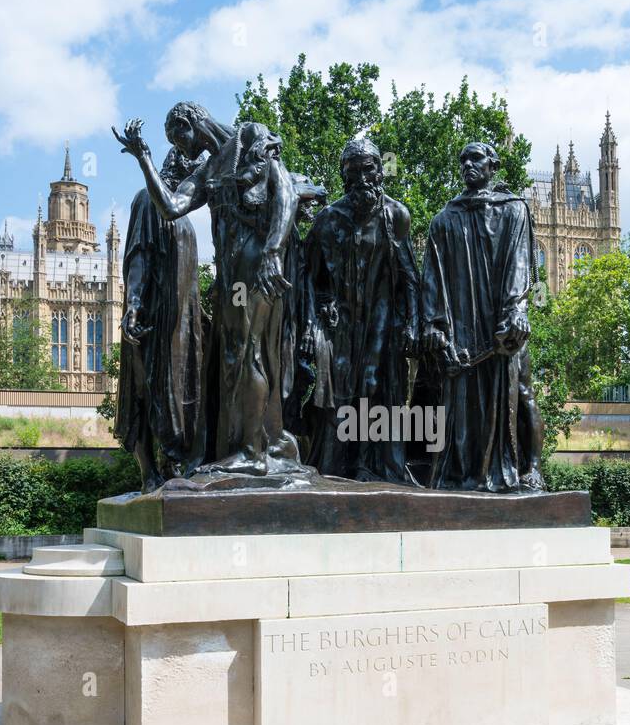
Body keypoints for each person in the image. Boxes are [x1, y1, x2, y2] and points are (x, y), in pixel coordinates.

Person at [114, 105, 309, 476]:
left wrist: (273, 251)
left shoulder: (251, 135)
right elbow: (171, 207)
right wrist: (144, 158)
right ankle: (271, 442)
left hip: (258, 265)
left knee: (247, 353)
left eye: (178, 137)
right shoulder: (208, 169)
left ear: (191, 124)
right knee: (245, 355)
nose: (179, 148)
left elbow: (285, 193)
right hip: (232, 276)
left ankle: (252, 454)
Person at [419, 141, 545, 492]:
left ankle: (531, 467)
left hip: (504, 325)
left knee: (521, 392)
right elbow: (432, 277)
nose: (467, 165)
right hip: (463, 331)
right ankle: (467, 472)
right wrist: (433, 324)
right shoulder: (444, 220)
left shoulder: (514, 210)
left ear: (493, 165)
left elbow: (520, 264)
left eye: (475, 158)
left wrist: (517, 309)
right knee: (463, 403)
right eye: (462, 160)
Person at [302, 137, 420, 483]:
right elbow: (307, 276)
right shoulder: (328, 220)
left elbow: (409, 276)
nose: (362, 180)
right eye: (353, 173)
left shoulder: (395, 216)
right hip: (339, 325)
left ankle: (374, 470)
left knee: (377, 389)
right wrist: (314, 315)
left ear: (380, 172)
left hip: (381, 325)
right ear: (343, 177)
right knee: (338, 398)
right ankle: (334, 472)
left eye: (368, 170)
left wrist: (413, 323)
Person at [115, 113, 208, 493]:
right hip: (154, 316)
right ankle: (150, 471)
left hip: (184, 321)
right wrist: (134, 304)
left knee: (182, 391)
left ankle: (176, 465)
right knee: (149, 391)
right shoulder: (146, 202)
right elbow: (138, 255)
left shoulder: (182, 215)